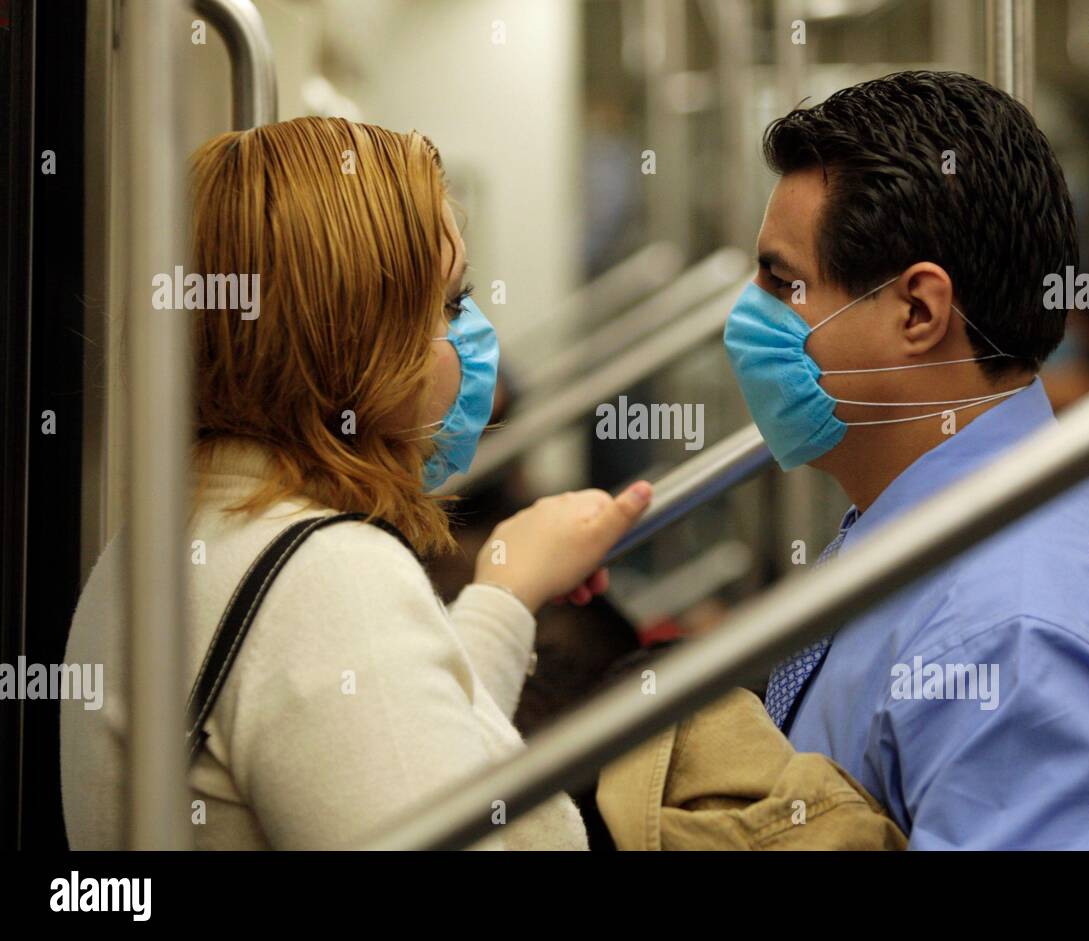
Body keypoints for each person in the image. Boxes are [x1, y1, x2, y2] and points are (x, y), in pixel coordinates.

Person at [61, 116, 653, 850]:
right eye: (449, 305)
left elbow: (376, 747)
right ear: (354, 335)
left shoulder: (166, 541)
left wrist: (505, 595)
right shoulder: (327, 577)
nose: (474, 340)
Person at [723, 71, 1089, 849]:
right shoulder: (945, 539)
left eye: (781, 280)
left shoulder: (1008, 629)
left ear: (918, 310)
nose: (748, 314)